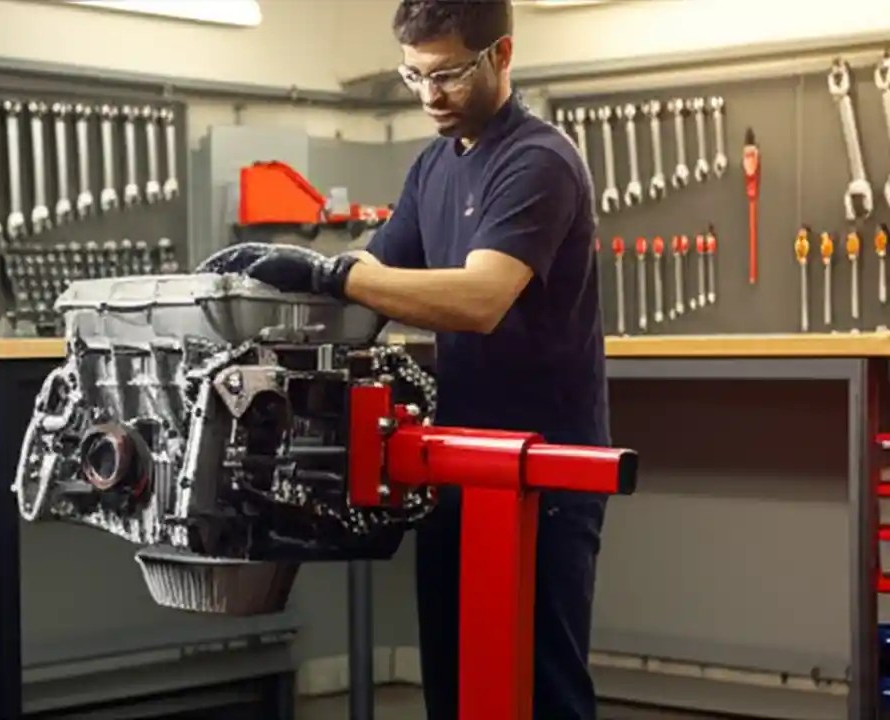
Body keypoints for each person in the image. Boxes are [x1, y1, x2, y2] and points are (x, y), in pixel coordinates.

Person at [197, 0, 608, 717]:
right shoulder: (433, 168)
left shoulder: (538, 161)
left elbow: (482, 298)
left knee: (542, 688)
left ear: (502, 55)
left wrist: (331, 274)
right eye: (413, 75)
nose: (428, 96)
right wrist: (261, 306)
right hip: (458, 464)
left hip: (543, 470)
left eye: (447, 74)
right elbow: (371, 288)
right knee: (452, 681)